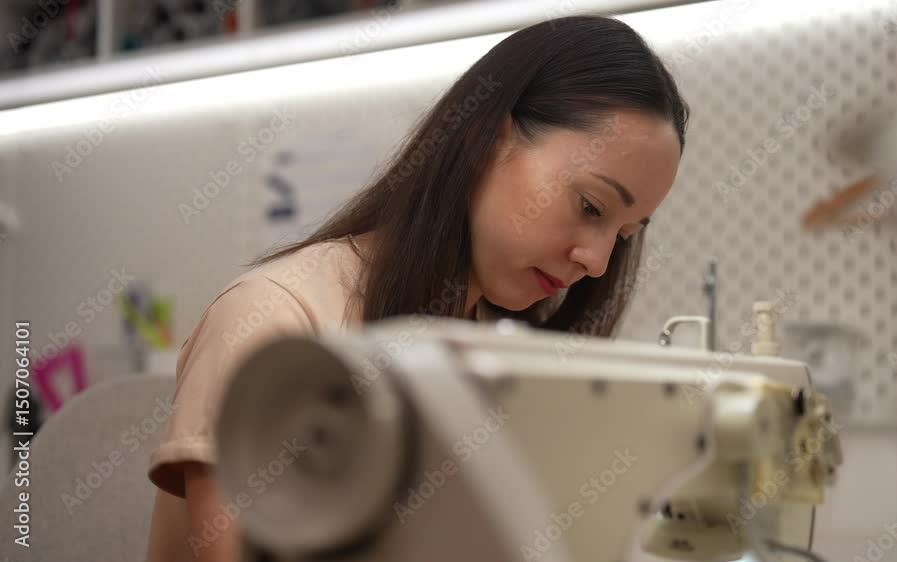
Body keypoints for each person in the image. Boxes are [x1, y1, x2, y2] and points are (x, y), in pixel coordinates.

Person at [144, 14, 689, 562]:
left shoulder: (484, 354)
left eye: (621, 236)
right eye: (590, 206)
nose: (596, 263)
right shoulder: (275, 320)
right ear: (487, 140)